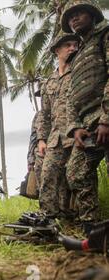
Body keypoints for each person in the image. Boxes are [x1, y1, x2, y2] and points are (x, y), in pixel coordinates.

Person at [61, 0, 109, 233]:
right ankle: (93, 230)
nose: (74, 19)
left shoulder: (104, 35)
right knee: (76, 173)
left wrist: (106, 119)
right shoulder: (78, 53)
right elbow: (71, 96)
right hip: (87, 123)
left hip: (105, 115)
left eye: (80, 14)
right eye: (71, 17)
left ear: (92, 15)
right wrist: (75, 127)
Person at [37, 32, 80, 219]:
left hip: (77, 134)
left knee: (75, 178)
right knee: (47, 176)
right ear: (57, 50)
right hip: (55, 139)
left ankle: (77, 218)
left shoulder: (80, 72)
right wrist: (41, 139)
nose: (73, 48)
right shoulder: (49, 82)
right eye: (68, 45)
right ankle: (49, 219)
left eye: (75, 45)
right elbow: (44, 114)